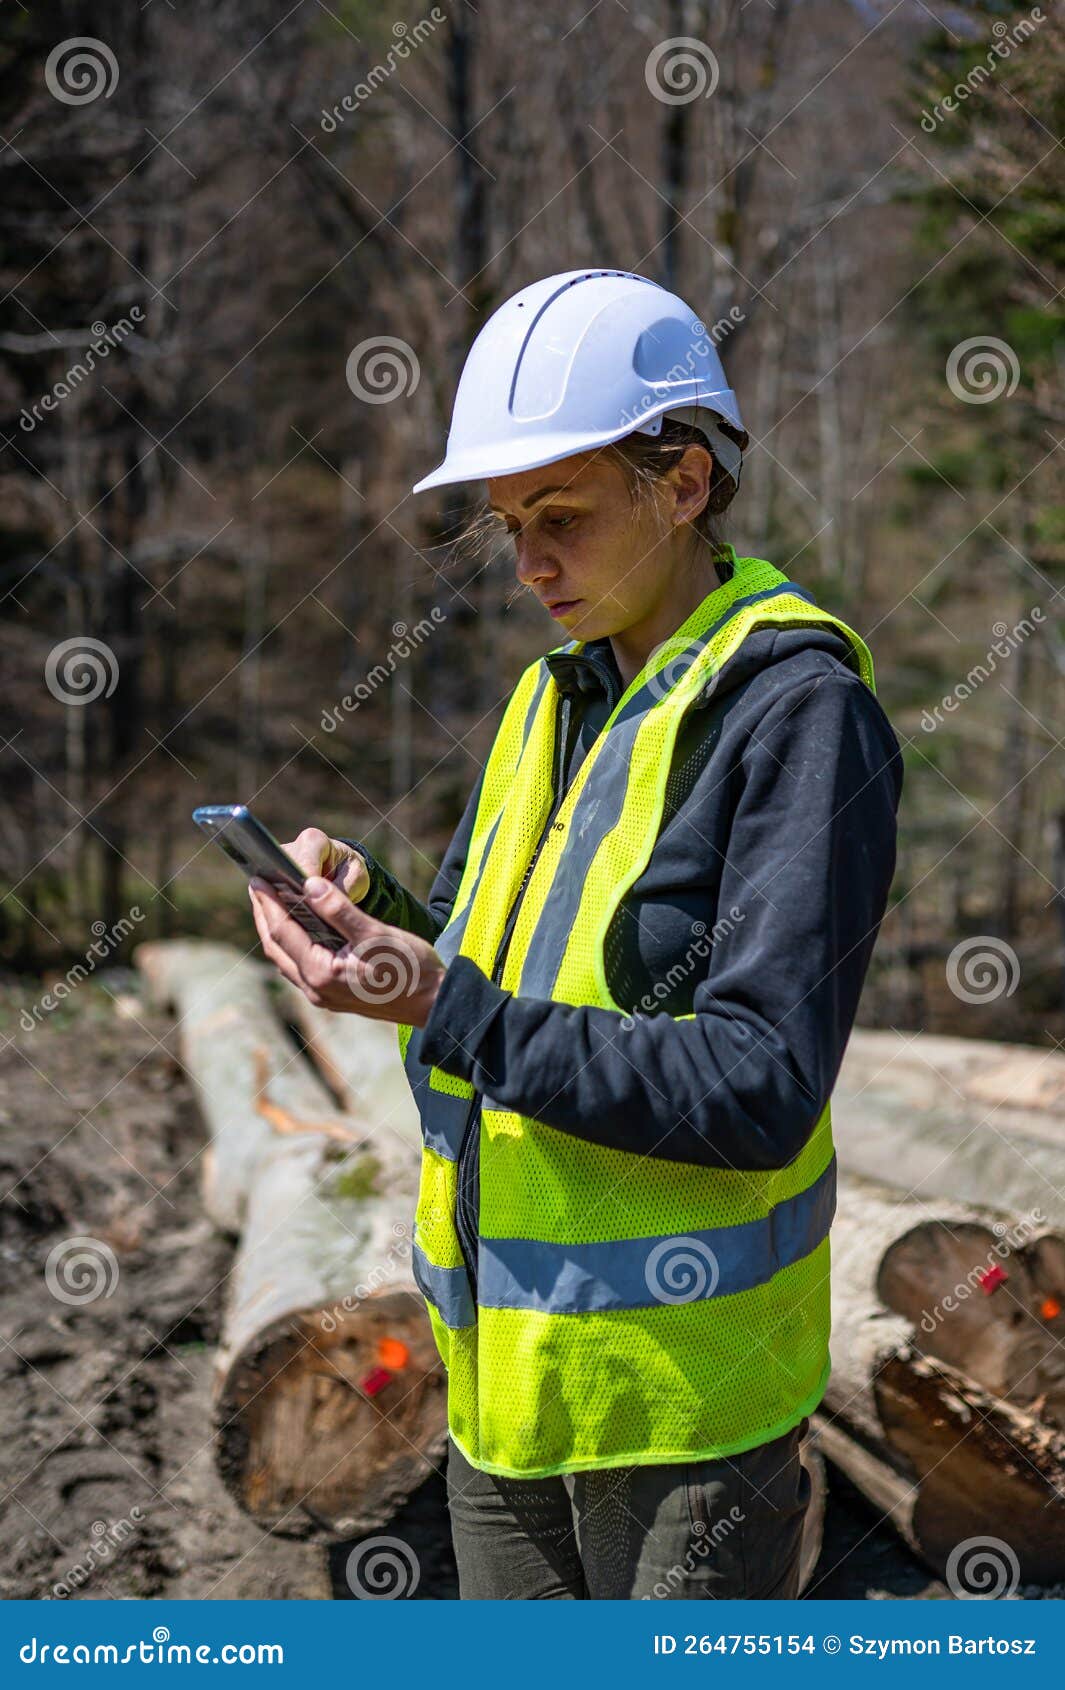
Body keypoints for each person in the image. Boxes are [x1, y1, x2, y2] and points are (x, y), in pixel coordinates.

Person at [248, 267, 904, 1600]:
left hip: (684, 1428)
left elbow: (756, 1088)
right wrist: (372, 917)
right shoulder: (558, 697)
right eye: (508, 526)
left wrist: (446, 1004)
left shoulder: (794, 715)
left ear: (682, 485)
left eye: (562, 515)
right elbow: (500, 966)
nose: (531, 562)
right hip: (506, 1395)